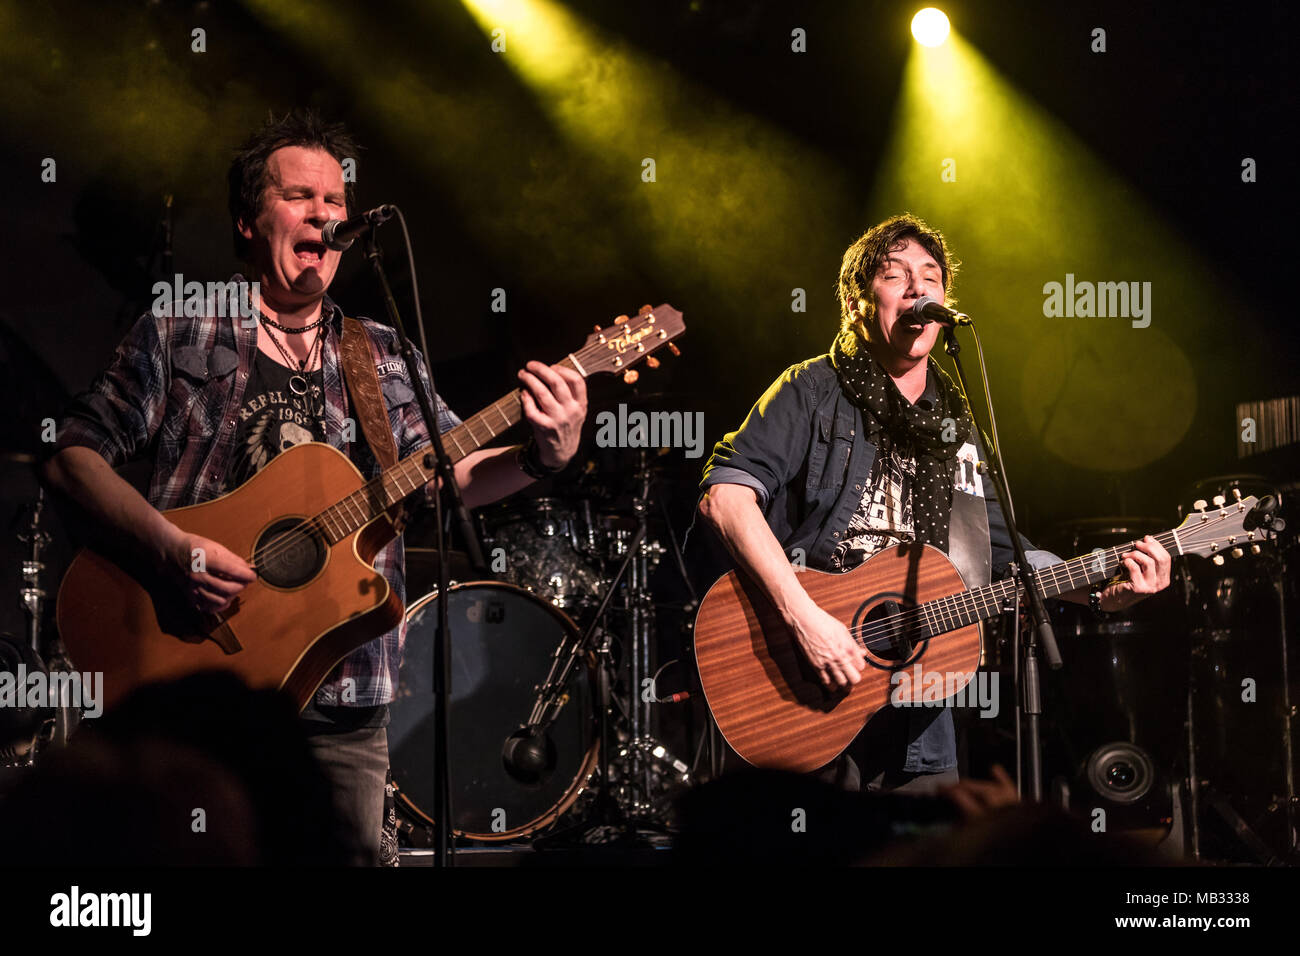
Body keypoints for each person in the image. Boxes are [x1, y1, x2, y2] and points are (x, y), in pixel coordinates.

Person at [39, 109, 588, 863]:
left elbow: (451, 477)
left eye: (336, 202)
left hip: (346, 698)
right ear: (247, 222)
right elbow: (72, 458)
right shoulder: (184, 328)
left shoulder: (383, 353)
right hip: (190, 677)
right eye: (301, 197)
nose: (326, 215)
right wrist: (171, 553)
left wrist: (541, 457)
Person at [694, 213, 1170, 795]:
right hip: (799, 685)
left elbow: (1005, 558)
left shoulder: (958, 427)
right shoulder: (812, 389)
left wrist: (1101, 588)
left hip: (919, 715)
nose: (919, 289)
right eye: (896, 277)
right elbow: (727, 498)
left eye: (931, 277)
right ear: (856, 304)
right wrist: (806, 616)